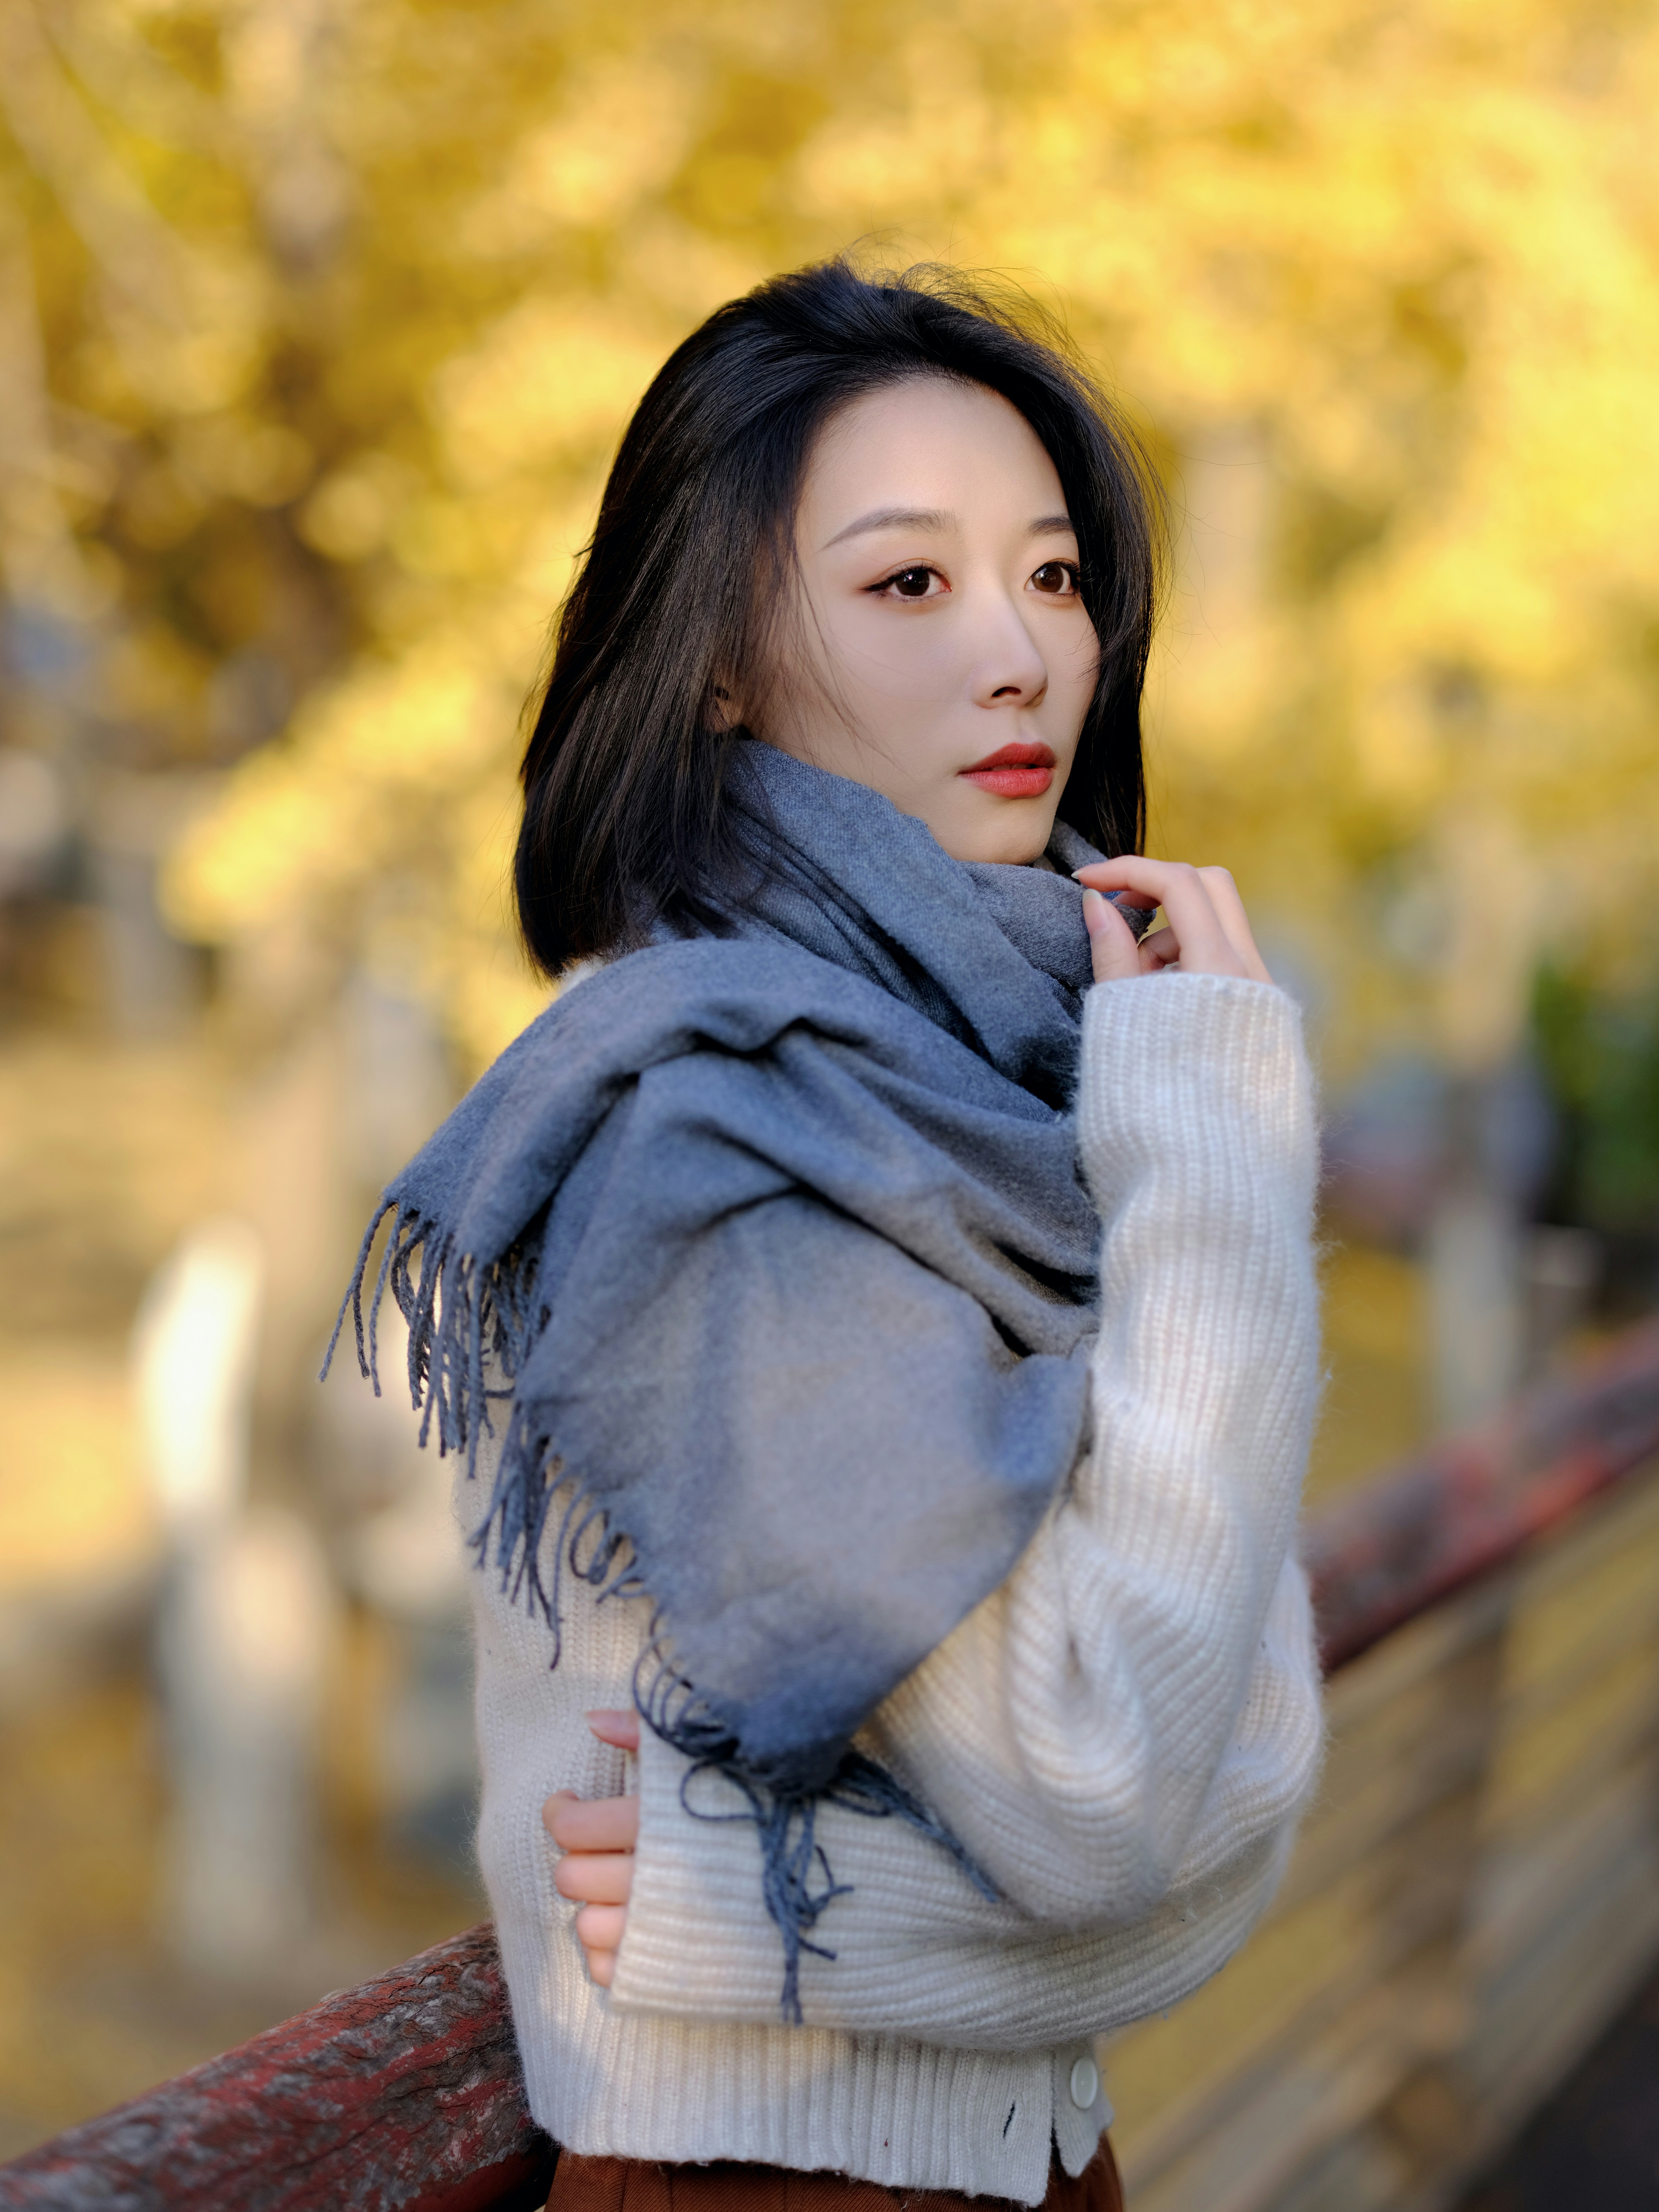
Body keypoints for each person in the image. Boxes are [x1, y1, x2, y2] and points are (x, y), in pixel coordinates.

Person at [335, 258, 1323, 2212]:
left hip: (1036, 2163)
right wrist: (1219, 1168)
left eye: (1053, 576)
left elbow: (1258, 1761)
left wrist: (786, 1927)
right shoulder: (712, 1128)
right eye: (909, 584)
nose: (1026, 655)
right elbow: (1119, 1792)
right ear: (716, 660)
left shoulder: (1016, 1089)